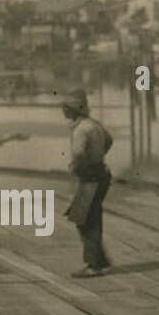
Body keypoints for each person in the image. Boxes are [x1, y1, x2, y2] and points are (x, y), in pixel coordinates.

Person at [61, 88, 113, 278]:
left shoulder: (81, 129)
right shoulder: (93, 124)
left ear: (73, 109)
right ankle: (100, 260)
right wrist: (98, 155)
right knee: (88, 216)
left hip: (91, 177)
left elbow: (79, 154)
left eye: (65, 107)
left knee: (86, 220)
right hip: (101, 173)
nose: (63, 110)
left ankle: (94, 265)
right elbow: (109, 140)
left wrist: (76, 167)